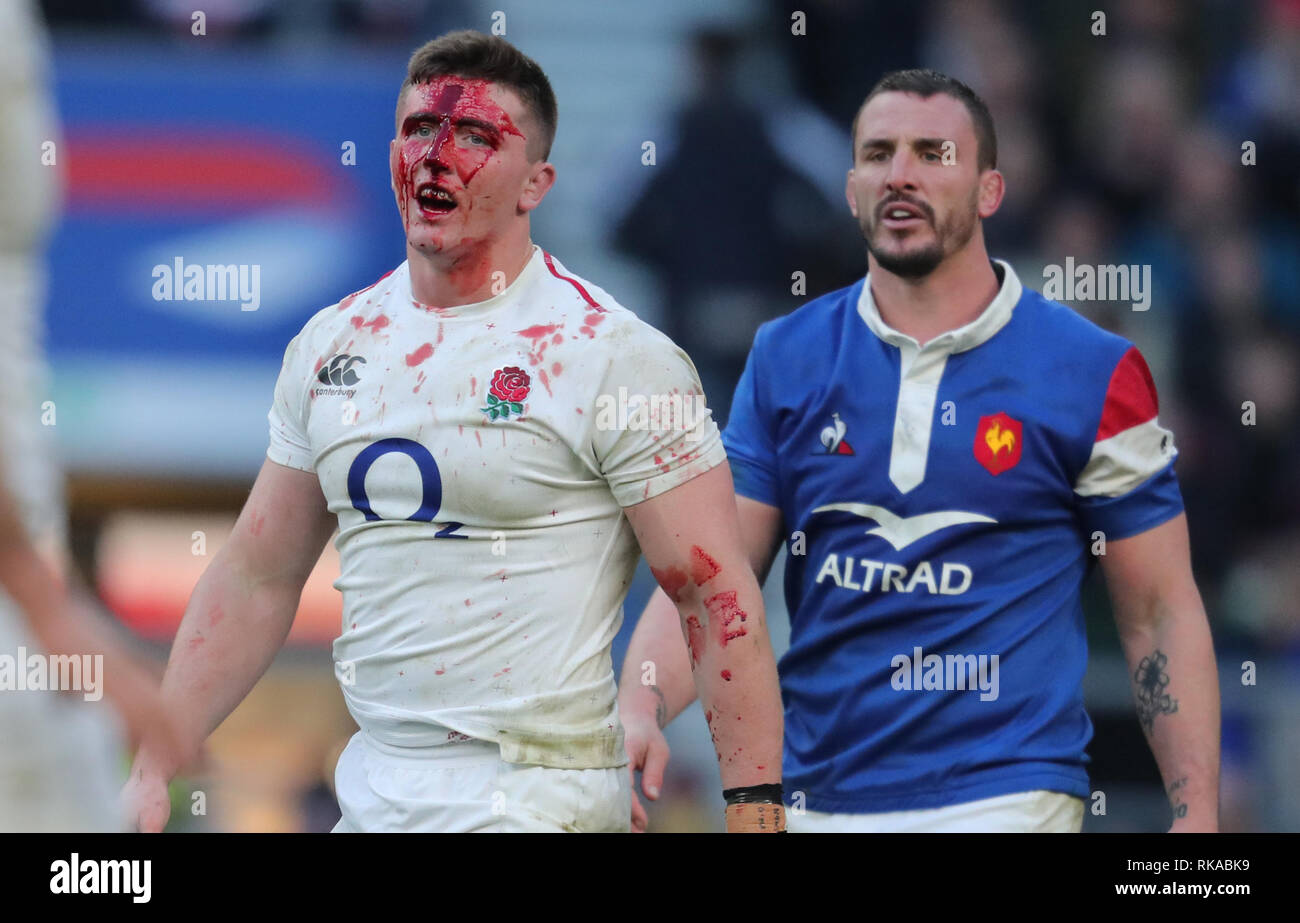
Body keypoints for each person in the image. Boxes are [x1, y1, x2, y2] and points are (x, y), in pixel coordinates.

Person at [123, 30, 785, 833]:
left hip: (540, 791)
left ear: (536, 182)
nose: (437, 156)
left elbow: (712, 592)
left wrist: (755, 807)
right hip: (375, 785)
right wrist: (157, 761)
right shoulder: (332, 345)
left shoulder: (612, 356)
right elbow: (256, 577)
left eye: (474, 136)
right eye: (418, 131)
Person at [619, 69, 1220, 833]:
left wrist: (1196, 815)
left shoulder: (1091, 370)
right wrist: (639, 703)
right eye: (878, 153)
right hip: (814, 796)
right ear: (850, 187)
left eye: (932, 153)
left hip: (1006, 796)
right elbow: (714, 581)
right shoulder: (787, 357)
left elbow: (1160, 610)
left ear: (990, 190)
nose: (900, 174)